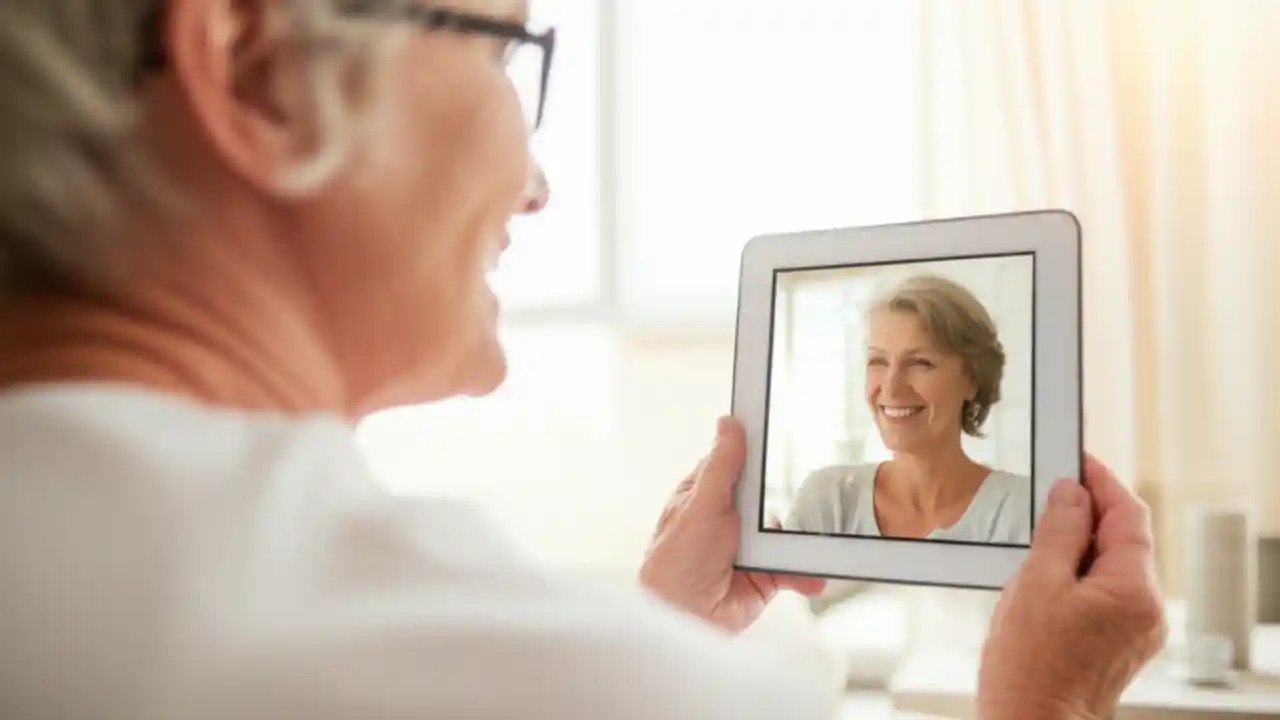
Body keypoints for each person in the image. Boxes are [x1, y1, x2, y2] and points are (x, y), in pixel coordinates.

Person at [0, 1, 1165, 718]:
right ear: (255, 72)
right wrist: (1047, 708)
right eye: (506, 50)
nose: (540, 184)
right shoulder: (472, 662)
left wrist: (655, 631)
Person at [785, 274, 1032, 544]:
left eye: (920, 363)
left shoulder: (1022, 510)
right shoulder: (828, 500)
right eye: (878, 361)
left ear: (973, 379)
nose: (891, 387)